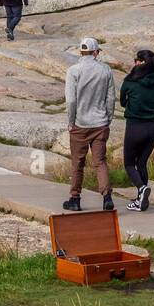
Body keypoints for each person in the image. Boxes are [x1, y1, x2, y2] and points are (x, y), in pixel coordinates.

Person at [63, 37, 117, 212]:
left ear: (81, 52)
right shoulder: (105, 70)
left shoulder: (73, 71)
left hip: (80, 123)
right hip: (100, 123)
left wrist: (71, 122)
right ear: (95, 52)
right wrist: (109, 117)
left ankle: (75, 198)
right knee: (100, 161)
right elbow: (110, 98)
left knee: (78, 163)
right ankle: (107, 196)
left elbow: (71, 100)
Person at [119, 49, 154, 212]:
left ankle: (141, 188)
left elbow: (123, 103)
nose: (134, 63)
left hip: (135, 127)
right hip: (152, 128)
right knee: (142, 163)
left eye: (136, 60)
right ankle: (141, 201)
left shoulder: (130, 82)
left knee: (129, 164)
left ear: (140, 63)